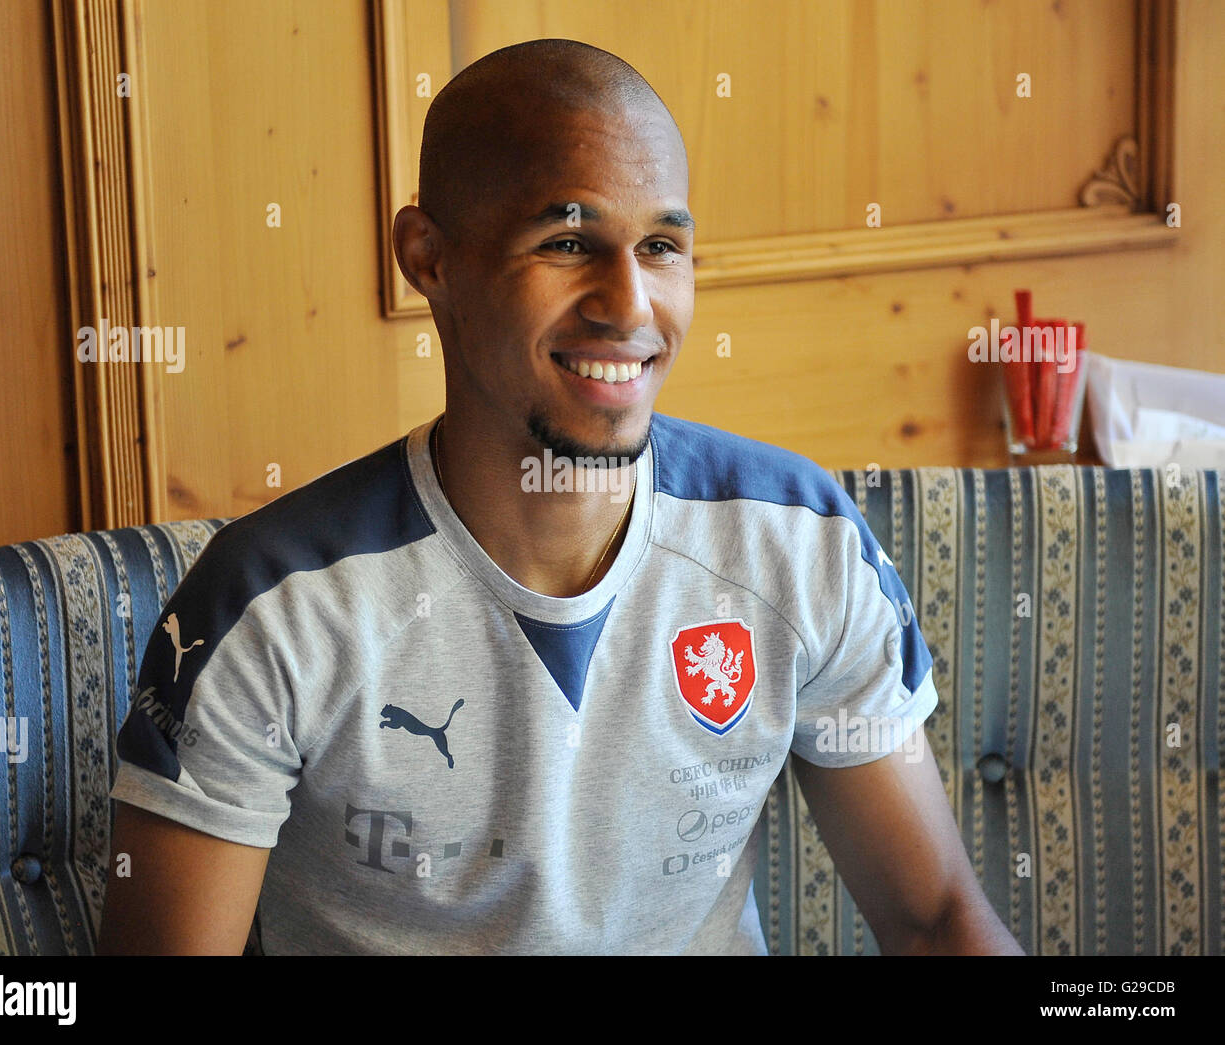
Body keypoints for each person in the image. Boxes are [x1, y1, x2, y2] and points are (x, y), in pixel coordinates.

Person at [97, 38, 1021, 955]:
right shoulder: (268, 606)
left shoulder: (799, 542)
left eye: (661, 246)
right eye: (570, 243)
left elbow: (936, 918)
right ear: (429, 257)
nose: (629, 304)